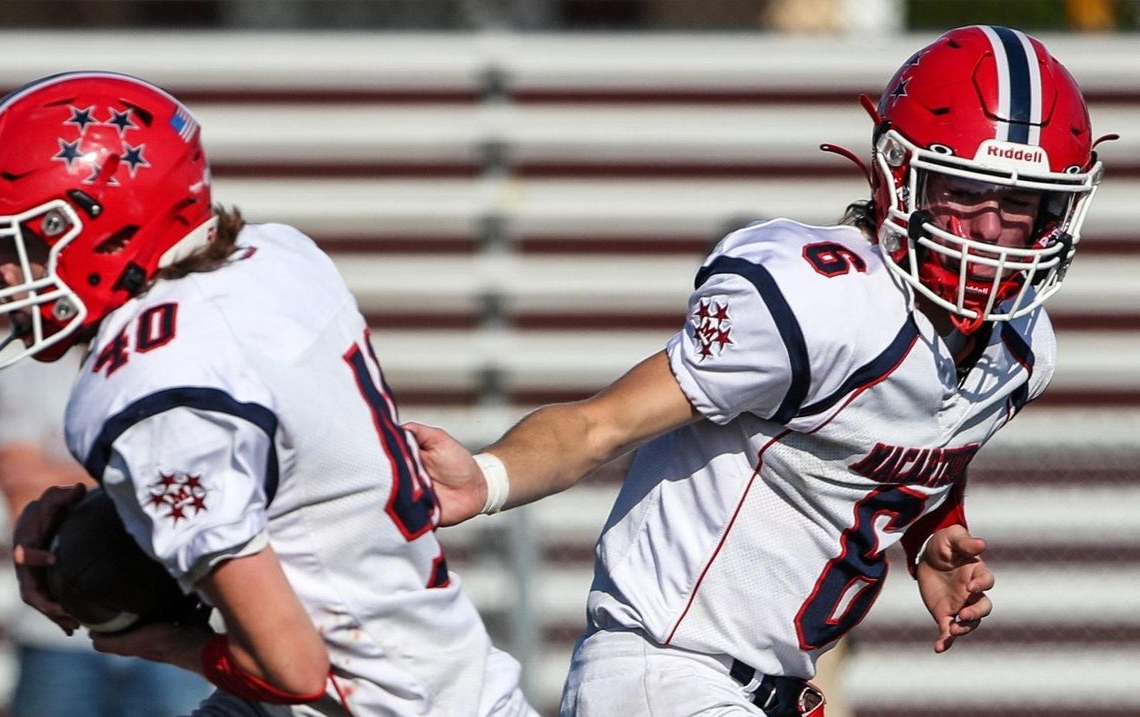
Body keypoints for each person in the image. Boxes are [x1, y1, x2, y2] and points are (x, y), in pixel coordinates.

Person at [407, 25, 1108, 717]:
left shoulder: (1018, 349)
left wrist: (931, 534)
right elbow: (600, 424)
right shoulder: (818, 304)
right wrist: (491, 474)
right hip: (667, 672)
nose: (989, 229)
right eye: (963, 190)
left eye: (1017, 202)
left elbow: (920, 429)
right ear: (900, 175)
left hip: (774, 690)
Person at [0, 71, 534, 716]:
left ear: (103, 226)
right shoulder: (275, 256)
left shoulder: (148, 392)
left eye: (21, 239)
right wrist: (113, 511)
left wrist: (163, 641)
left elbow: (292, 668)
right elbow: (281, 483)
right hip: (441, 668)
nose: (0, 269)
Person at [0, 354, 213, 716]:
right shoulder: (32, 371)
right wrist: (138, 478)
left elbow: (204, 478)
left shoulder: (174, 358)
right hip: (57, 635)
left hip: (172, 625)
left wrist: (65, 484)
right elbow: (18, 485)